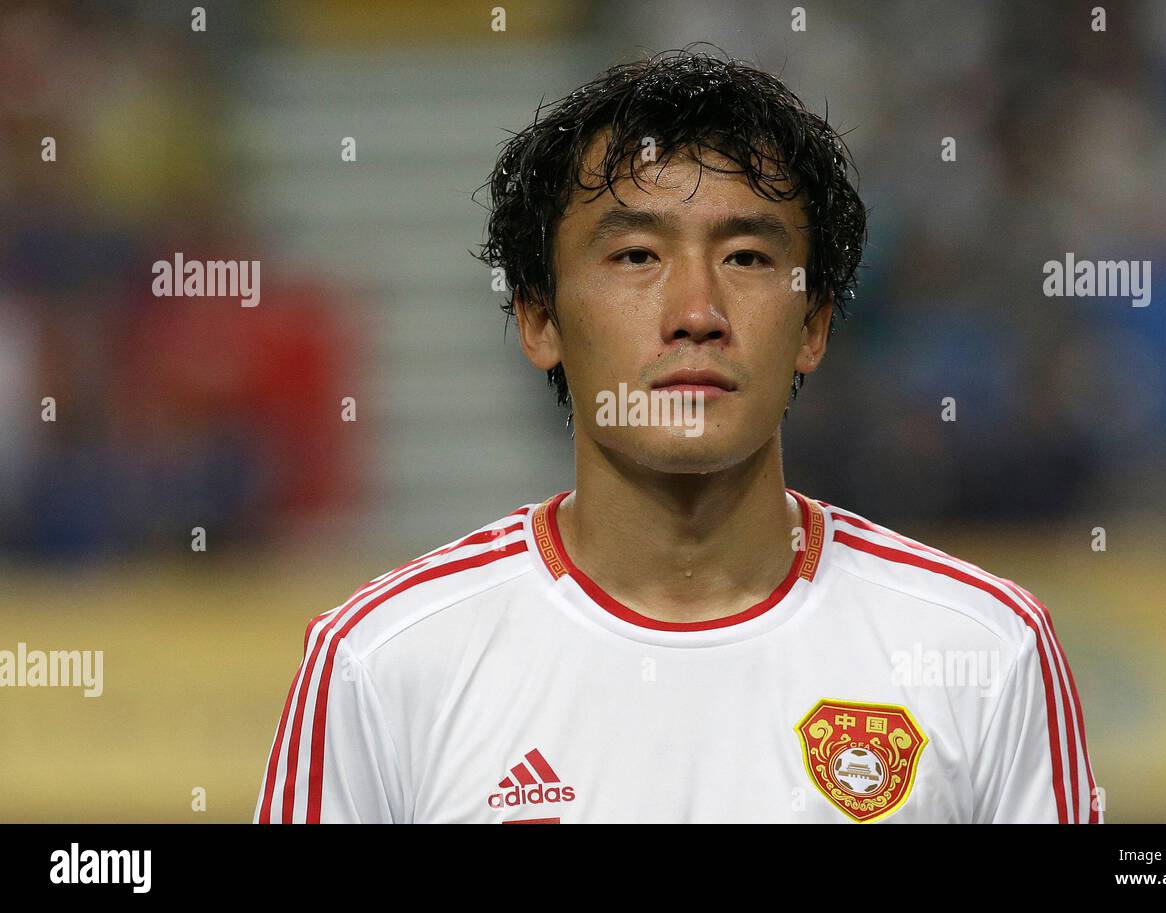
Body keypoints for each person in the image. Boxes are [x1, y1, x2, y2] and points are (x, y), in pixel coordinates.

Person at [255, 48, 1099, 824]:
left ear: (814, 324)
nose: (697, 314)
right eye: (635, 257)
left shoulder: (989, 652)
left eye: (746, 258)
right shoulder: (380, 667)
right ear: (539, 317)